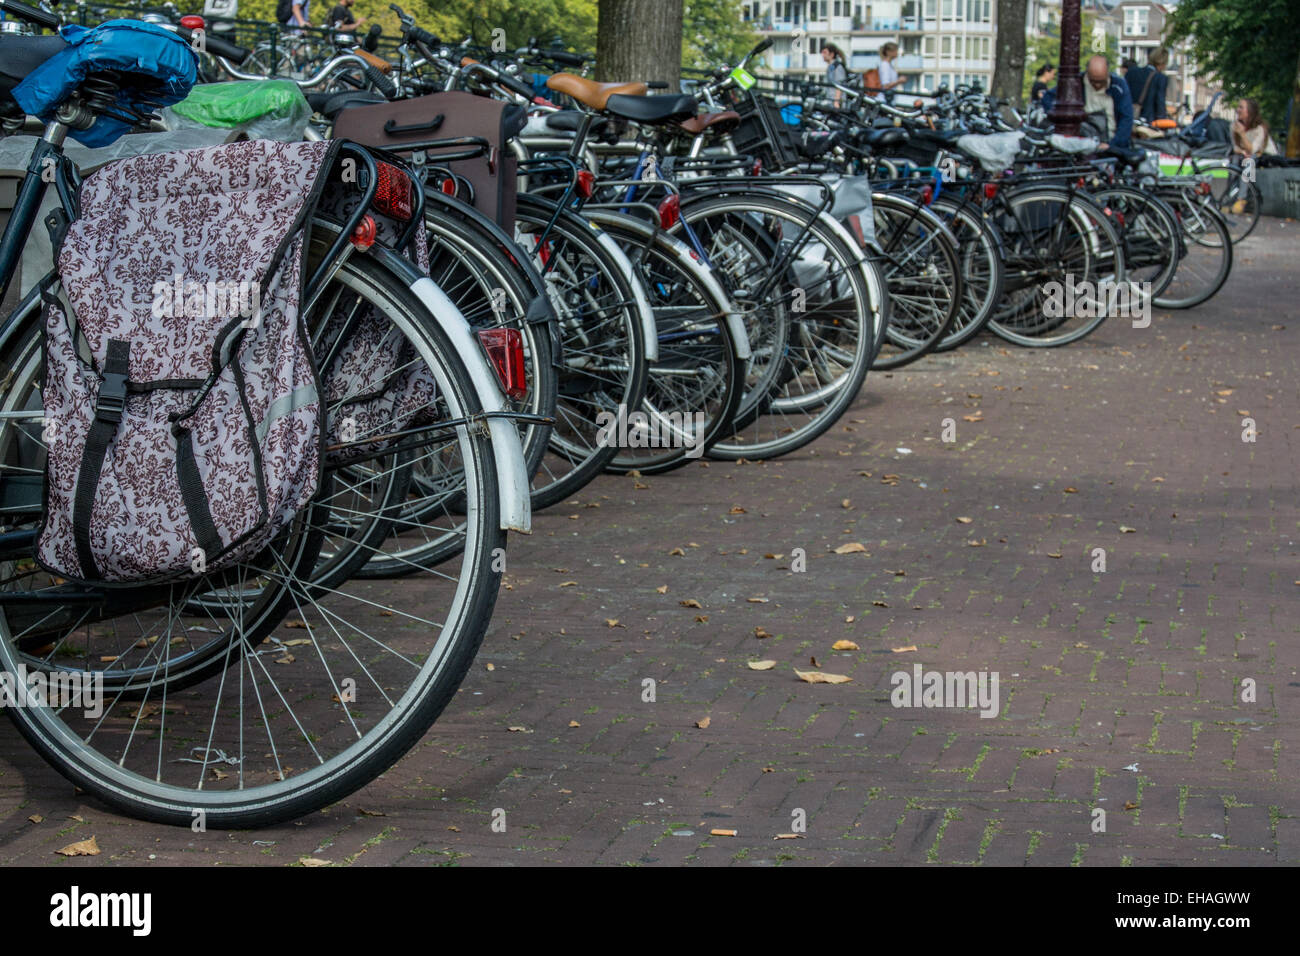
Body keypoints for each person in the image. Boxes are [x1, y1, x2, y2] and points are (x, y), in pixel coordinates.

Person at [1041, 54, 1135, 149]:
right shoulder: (1076, 82)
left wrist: (1113, 144)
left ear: (1108, 73)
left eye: (1102, 81)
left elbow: (1126, 118)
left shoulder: (1118, 86)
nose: (1097, 85)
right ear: (1087, 73)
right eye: (1093, 81)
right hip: (1083, 143)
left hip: (1111, 142)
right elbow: (1048, 98)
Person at [1123, 46, 1168, 125]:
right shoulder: (1160, 78)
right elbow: (1160, 103)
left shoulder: (1131, 72)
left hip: (1128, 121)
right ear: (1163, 63)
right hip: (1148, 122)